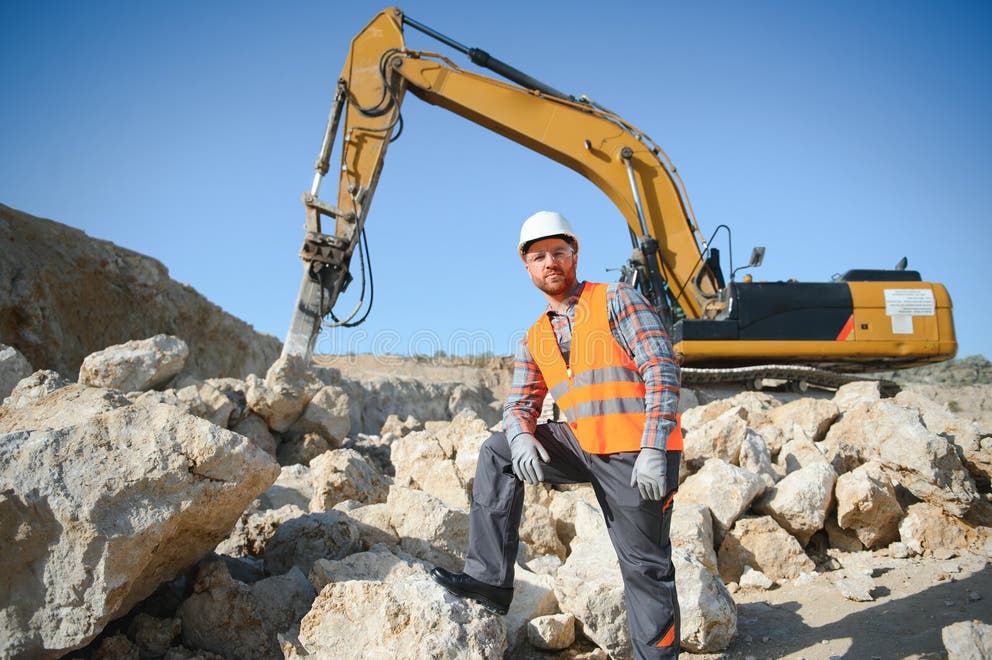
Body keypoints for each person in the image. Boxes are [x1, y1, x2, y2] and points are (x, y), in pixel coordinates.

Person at [431, 210, 684, 659]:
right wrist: (521, 434)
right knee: (499, 450)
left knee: (645, 567)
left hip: (635, 451)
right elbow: (519, 403)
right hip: (583, 444)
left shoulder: (616, 299)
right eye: (540, 256)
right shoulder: (534, 337)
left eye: (560, 253)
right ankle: (489, 580)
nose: (551, 262)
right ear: (527, 266)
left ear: (575, 256)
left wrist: (653, 445)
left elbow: (660, 367)